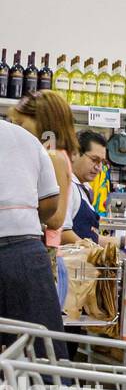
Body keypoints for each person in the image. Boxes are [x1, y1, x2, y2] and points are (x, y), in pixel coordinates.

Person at [0, 118, 68, 355]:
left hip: (23, 253)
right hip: (25, 255)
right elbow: (50, 203)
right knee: (42, 358)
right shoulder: (25, 139)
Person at [8, 91, 78, 307]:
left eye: (20, 123)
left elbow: (56, 219)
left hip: (44, 258)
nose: (15, 129)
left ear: (44, 123)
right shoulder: (42, 154)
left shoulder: (53, 156)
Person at [65, 130, 107, 243]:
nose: (99, 167)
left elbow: (88, 236)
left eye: (102, 162)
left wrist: (123, 241)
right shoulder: (67, 187)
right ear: (74, 154)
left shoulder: (83, 188)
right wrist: (90, 250)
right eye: (94, 160)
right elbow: (62, 233)